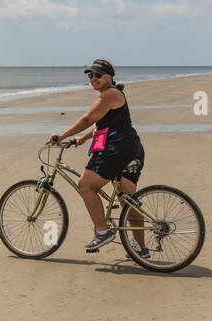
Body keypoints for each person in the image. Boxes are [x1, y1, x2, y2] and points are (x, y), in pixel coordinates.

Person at [49, 59, 148, 255]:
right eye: (90, 75)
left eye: (97, 75)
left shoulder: (109, 94)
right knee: (126, 199)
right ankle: (141, 248)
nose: (93, 79)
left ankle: (102, 231)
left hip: (116, 148)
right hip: (132, 147)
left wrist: (63, 135)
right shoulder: (113, 95)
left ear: (109, 77)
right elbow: (102, 124)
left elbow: (88, 119)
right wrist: (82, 139)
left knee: (86, 185)